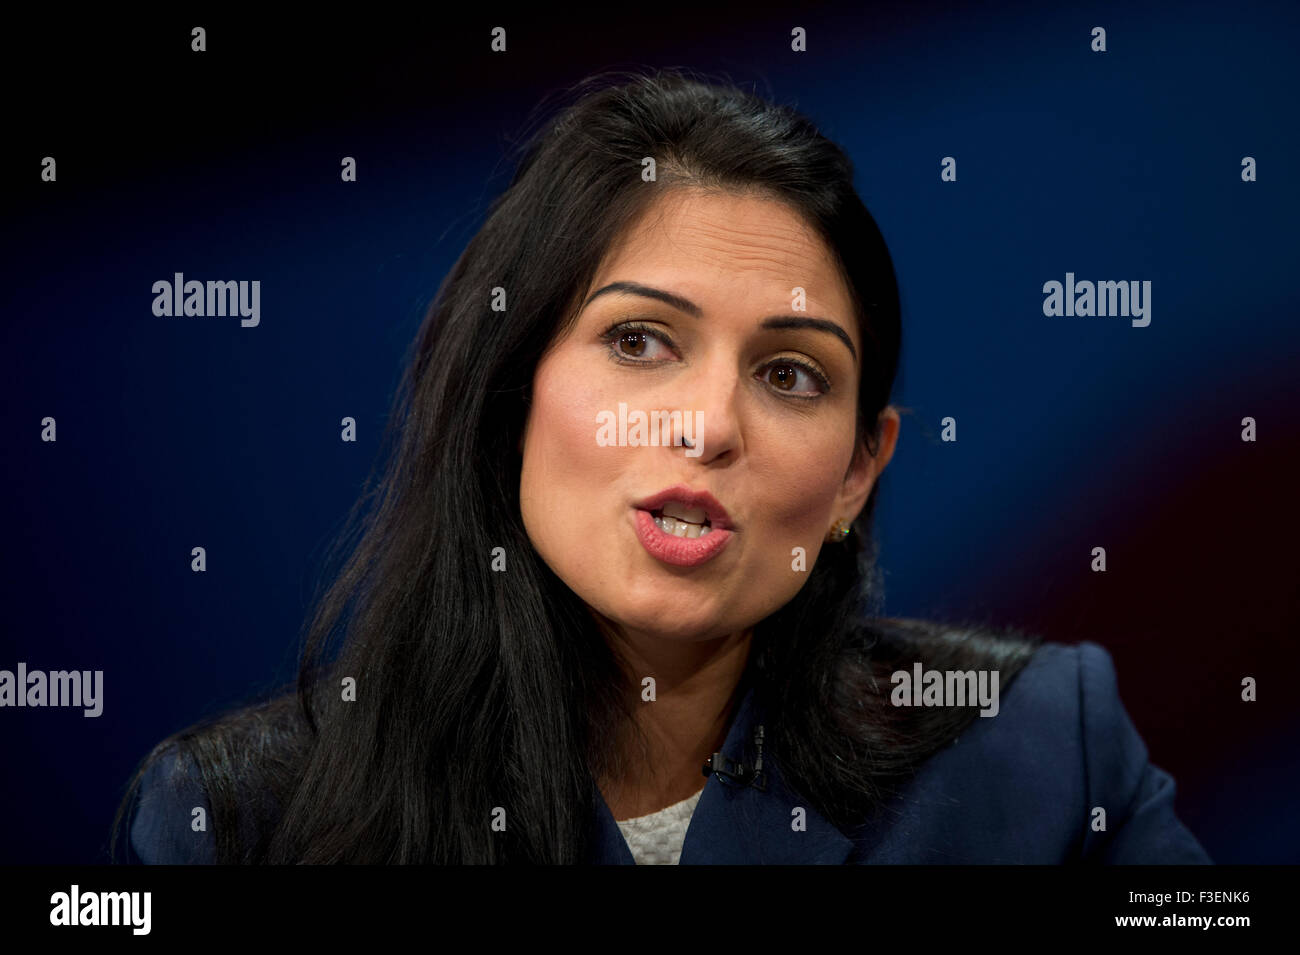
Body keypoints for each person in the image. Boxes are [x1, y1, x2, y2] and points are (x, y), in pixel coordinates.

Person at [114, 68, 1211, 865]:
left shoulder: (1040, 756)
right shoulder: (236, 824)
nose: (707, 426)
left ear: (854, 478)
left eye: (789, 374)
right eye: (639, 341)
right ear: (506, 393)